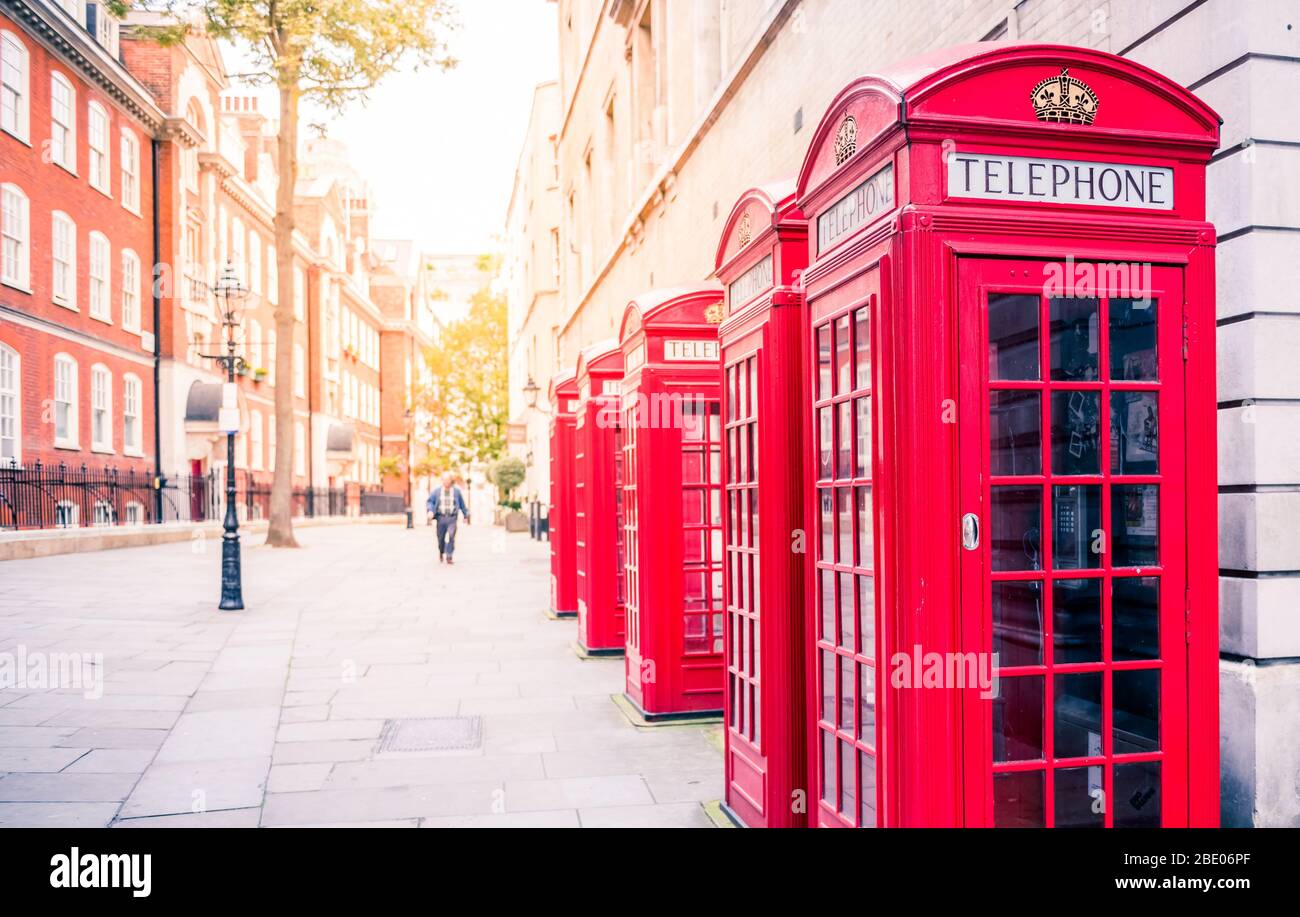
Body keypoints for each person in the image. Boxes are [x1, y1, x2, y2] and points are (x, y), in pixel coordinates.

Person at [426, 472, 470, 564]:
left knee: (451, 535)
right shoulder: (437, 491)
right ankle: (442, 551)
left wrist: (465, 515)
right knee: (440, 538)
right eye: (444, 480)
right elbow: (430, 501)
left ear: (451, 481)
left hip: (452, 517)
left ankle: (449, 555)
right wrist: (430, 510)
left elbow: (462, 503)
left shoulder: (456, 491)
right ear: (442, 481)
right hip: (440, 517)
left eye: (448, 480)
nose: (446, 482)